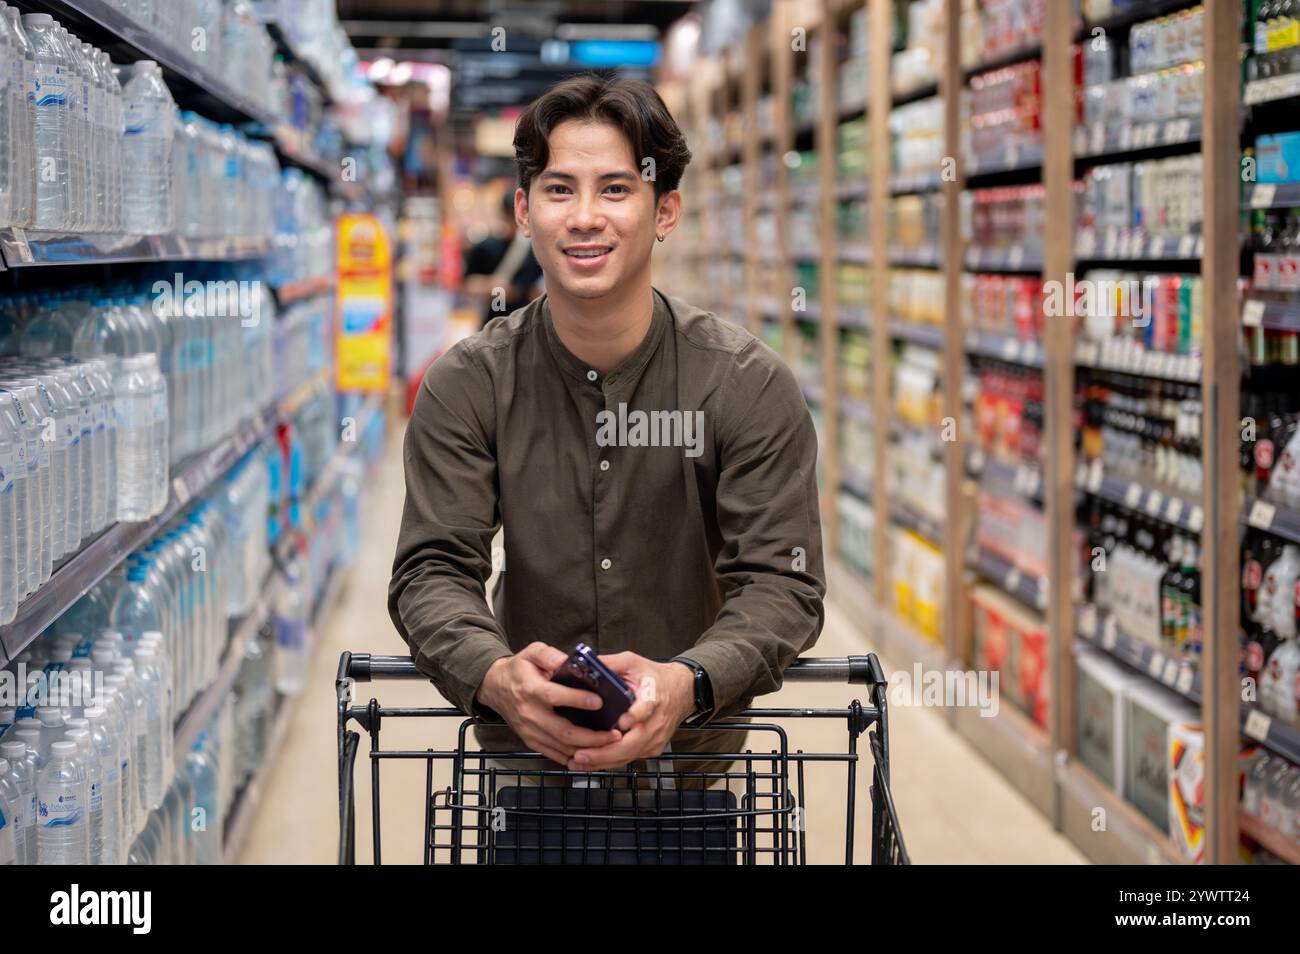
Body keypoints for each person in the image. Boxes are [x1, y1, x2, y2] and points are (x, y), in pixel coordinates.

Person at [389, 74, 825, 784]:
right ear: (524, 211)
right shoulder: (468, 385)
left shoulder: (745, 385)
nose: (585, 217)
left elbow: (784, 581)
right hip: (529, 772)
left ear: (665, 210)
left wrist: (690, 682)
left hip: (691, 773)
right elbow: (432, 568)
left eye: (616, 189)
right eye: (559, 190)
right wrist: (496, 675)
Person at [461, 191, 544, 326]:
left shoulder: (533, 249)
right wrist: (493, 286)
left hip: (526, 323)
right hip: (495, 320)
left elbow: (539, 286)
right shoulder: (486, 247)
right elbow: (467, 285)